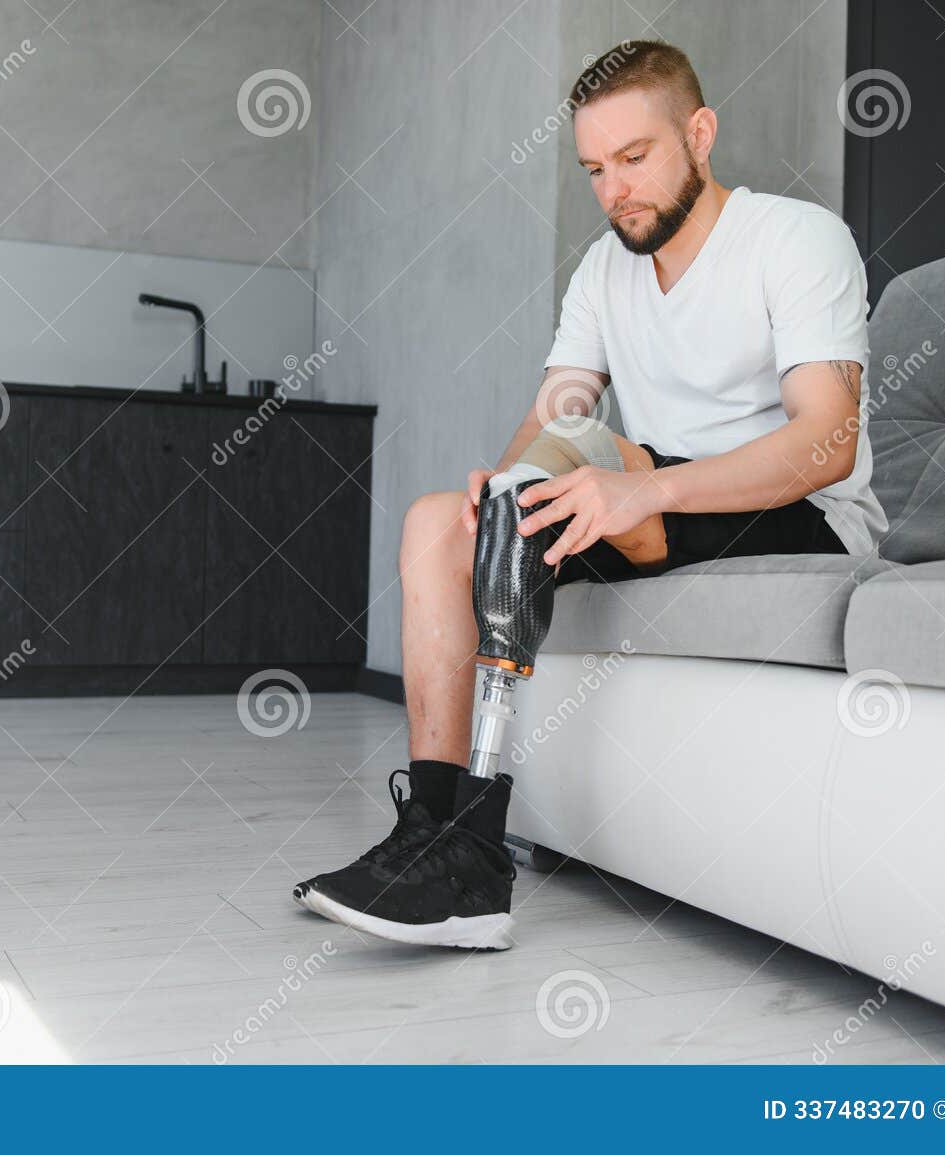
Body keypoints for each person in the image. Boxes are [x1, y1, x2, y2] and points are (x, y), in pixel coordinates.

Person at [294, 39, 887, 949]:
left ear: (700, 132)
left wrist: (639, 490)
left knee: (599, 467)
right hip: (644, 493)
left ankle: (474, 867)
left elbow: (828, 441)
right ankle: (433, 838)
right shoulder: (603, 271)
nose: (615, 190)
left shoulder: (794, 239)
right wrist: (501, 490)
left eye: (636, 158)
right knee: (433, 524)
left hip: (801, 516)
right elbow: (556, 414)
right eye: (595, 169)